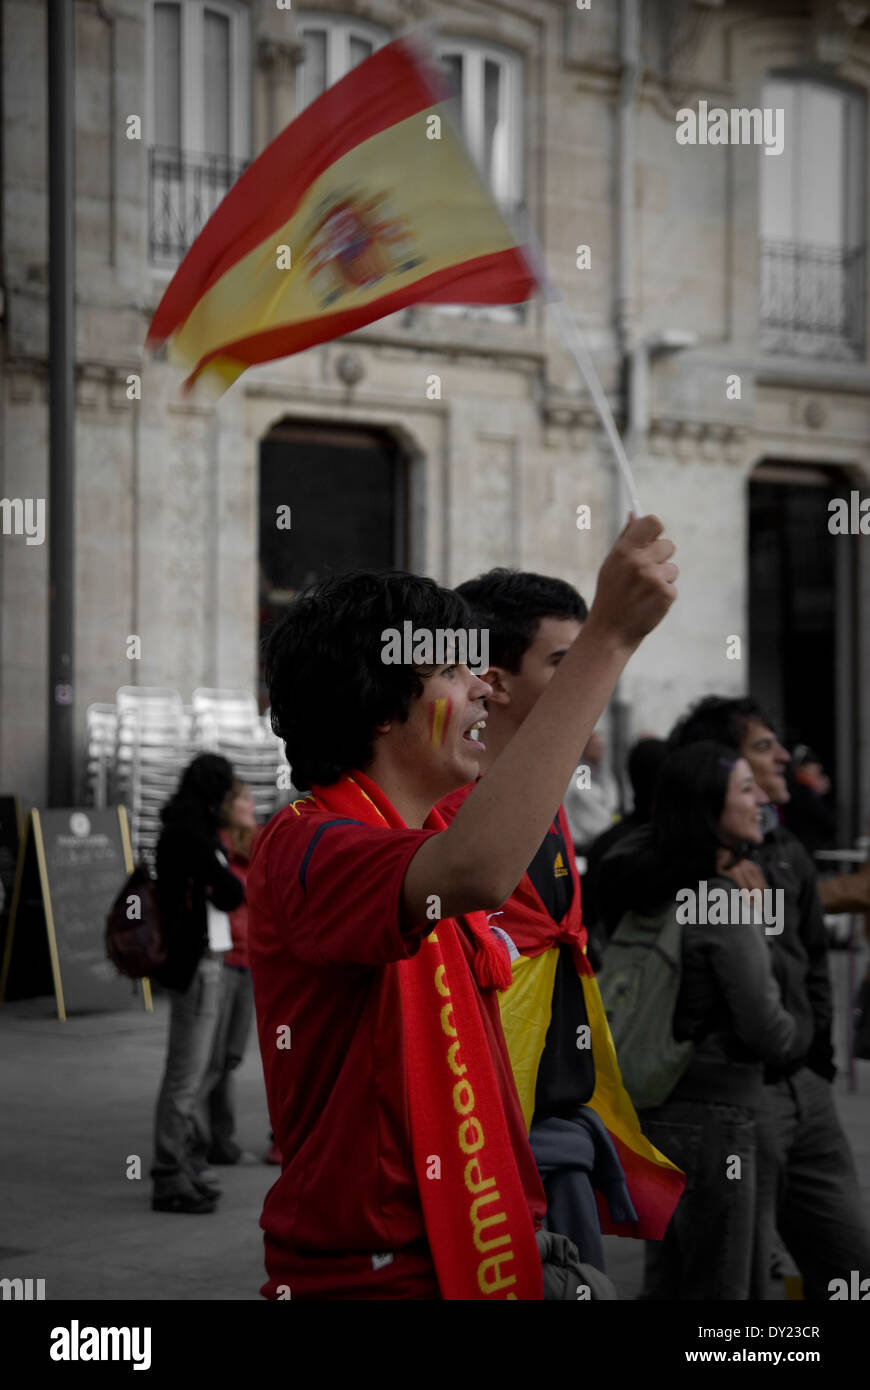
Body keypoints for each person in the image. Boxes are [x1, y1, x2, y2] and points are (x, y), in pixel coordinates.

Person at [245, 514, 678, 1300]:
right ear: (379, 703)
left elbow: (498, 810)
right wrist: (606, 639)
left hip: (480, 1238)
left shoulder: (428, 828)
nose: (485, 686)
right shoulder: (309, 847)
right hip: (374, 1275)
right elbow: (475, 870)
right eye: (454, 671)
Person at [438, 569, 684, 1272]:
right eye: (563, 662)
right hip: (496, 1149)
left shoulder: (539, 804)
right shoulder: (460, 823)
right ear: (496, 681)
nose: (591, 681)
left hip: (559, 1127)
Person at [661, 696, 870, 1300]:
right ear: (717, 775)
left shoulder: (786, 855)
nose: (781, 757)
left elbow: (810, 968)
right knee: (729, 1285)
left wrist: (816, 1068)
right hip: (729, 1100)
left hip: (804, 1090)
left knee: (850, 1267)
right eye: (761, 749)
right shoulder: (664, 863)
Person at [607, 742, 800, 1298]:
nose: (761, 797)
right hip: (720, 1116)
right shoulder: (722, 901)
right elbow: (769, 1027)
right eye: (745, 789)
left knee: (669, 1279)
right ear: (708, 811)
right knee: (722, 1291)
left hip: (656, 1108)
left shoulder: (647, 881)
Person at [150, 754, 245, 1214]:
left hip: (203, 961)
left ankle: (182, 1165)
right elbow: (230, 890)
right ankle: (169, 1173)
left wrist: (217, 883)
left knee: (193, 1069)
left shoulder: (183, 827)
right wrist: (217, 882)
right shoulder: (191, 833)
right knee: (186, 1075)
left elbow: (223, 889)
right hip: (197, 964)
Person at [191, 781, 259, 1167]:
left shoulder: (257, 844)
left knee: (230, 1057)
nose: (251, 805)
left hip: (251, 962)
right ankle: (194, 1141)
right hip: (222, 959)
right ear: (227, 806)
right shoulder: (214, 848)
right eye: (244, 799)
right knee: (212, 1059)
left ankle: (221, 1140)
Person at [583, 736, 669, 944]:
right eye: (595, 746)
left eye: (602, 745)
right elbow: (586, 798)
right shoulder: (583, 771)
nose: (600, 750)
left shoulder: (602, 770)